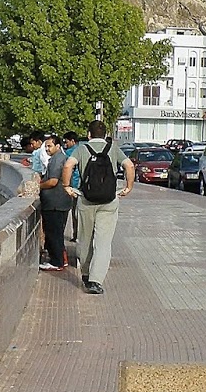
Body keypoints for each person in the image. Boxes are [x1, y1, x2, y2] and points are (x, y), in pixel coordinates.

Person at [60, 120, 135, 295]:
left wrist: (66, 186)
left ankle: (85, 273)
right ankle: (96, 280)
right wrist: (128, 187)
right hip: (109, 201)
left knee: (85, 240)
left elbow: (68, 165)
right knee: (103, 243)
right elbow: (129, 165)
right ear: (105, 134)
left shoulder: (82, 149)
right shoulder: (113, 148)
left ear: (89, 134)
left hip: (86, 200)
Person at [35, 134, 74, 271]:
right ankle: (59, 259)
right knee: (56, 232)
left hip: (55, 203)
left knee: (54, 233)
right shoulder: (58, 159)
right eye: (45, 146)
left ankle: (57, 262)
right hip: (59, 202)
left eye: (49, 146)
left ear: (58, 146)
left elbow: (53, 181)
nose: (47, 149)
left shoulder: (57, 160)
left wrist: (37, 186)